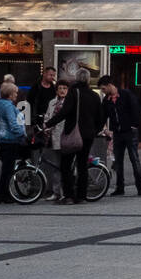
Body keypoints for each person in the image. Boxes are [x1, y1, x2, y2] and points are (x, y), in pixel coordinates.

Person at [46, 75, 103, 204]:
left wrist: (49, 124)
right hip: (88, 136)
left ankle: (69, 196)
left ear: (77, 79)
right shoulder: (95, 96)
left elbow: (64, 112)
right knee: (82, 165)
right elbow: (100, 117)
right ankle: (82, 196)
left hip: (73, 134)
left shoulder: (73, 93)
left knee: (66, 165)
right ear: (88, 80)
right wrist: (94, 131)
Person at [103, 81, 141, 196]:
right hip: (117, 133)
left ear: (110, 85)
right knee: (118, 161)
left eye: (103, 88)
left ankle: (139, 186)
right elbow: (103, 116)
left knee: (134, 158)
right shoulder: (107, 101)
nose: (103, 92)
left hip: (130, 131)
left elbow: (136, 108)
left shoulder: (125, 94)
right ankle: (120, 187)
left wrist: (134, 125)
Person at [0, 81, 27, 205]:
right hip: (10, 140)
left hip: (2, 139)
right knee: (8, 170)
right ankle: (4, 195)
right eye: (15, 93)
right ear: (10, 94)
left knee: (6, 169)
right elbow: (13, 124)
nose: (16, 95)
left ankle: (2, 194)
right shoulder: (8, 106)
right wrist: (22, 135)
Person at [40, 79, 69, 200]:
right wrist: (45, 126)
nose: (62, 91)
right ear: (56, 90)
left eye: (64, 88)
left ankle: (65, 191)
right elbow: (47, 116)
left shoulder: (69, 102)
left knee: (65, 166)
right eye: (60, 88)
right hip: (53, 136)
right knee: (56, 166)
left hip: (66, 137)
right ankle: (56, 191)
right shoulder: (52, 102)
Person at [27, 67, 59, 139]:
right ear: (44, 74)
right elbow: (29, 102)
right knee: (37, 139)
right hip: (37, 118)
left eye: (53, 75)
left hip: (49, 118)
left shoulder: (54, 88)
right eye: (50, 75)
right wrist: (32, 119)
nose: (52, 77)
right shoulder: (36, 86)